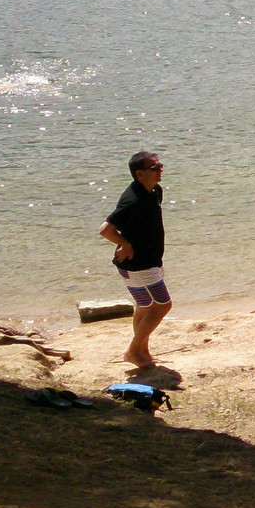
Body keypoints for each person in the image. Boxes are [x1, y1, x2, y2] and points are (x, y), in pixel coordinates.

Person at [99, 151, 170, 369]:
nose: (160, 170)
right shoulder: (133, 200)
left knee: (145, 305)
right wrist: (125, 243)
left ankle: (142, 351)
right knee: (163, 305)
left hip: (148, 260)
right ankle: (132, 350)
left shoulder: (154, 191)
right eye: (154, 167)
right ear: (139, 174)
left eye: (160, 165)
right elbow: (105, 230)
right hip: (139, 265)